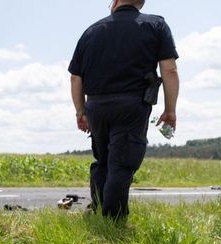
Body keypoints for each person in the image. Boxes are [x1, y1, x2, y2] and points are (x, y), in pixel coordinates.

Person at [69, 1, 179, 221]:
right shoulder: (155, 25)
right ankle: (114, 221)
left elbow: (75, 77)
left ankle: (98, 211)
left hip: (96, 106)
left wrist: (81, 112)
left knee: (103, 160)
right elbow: (169, 70)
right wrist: (170, 109)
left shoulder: (91, 31)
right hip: (131, 105)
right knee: (122, 163)